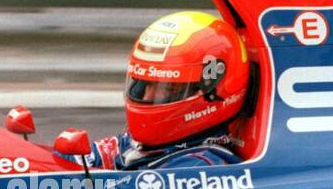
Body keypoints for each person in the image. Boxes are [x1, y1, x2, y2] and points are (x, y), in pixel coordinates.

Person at [61, 11, 253, 170]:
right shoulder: (137, 146)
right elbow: (69, 163)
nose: (147, 97)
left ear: (211, 91)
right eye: (144, 84)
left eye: (167, 87)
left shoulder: (201, 168)